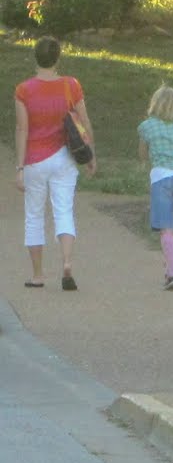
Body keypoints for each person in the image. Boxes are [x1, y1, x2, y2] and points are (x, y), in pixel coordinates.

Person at [14, 35, 96, 290]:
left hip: (34, 160)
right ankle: (67, 262)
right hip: (64, 158)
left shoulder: (23, 90)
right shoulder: (71, 85)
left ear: (35, 58)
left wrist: (19, 168)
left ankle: (38, 275)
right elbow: (84, 121)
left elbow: (22, 129)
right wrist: (91, 154)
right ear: (57, 58)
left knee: (34, 215)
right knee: (64, 211)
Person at [137, 84, 173, 289]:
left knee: (165, 228)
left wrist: (146, 155)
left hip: (160, 178)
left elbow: (143, 154)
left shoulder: (147, 127)